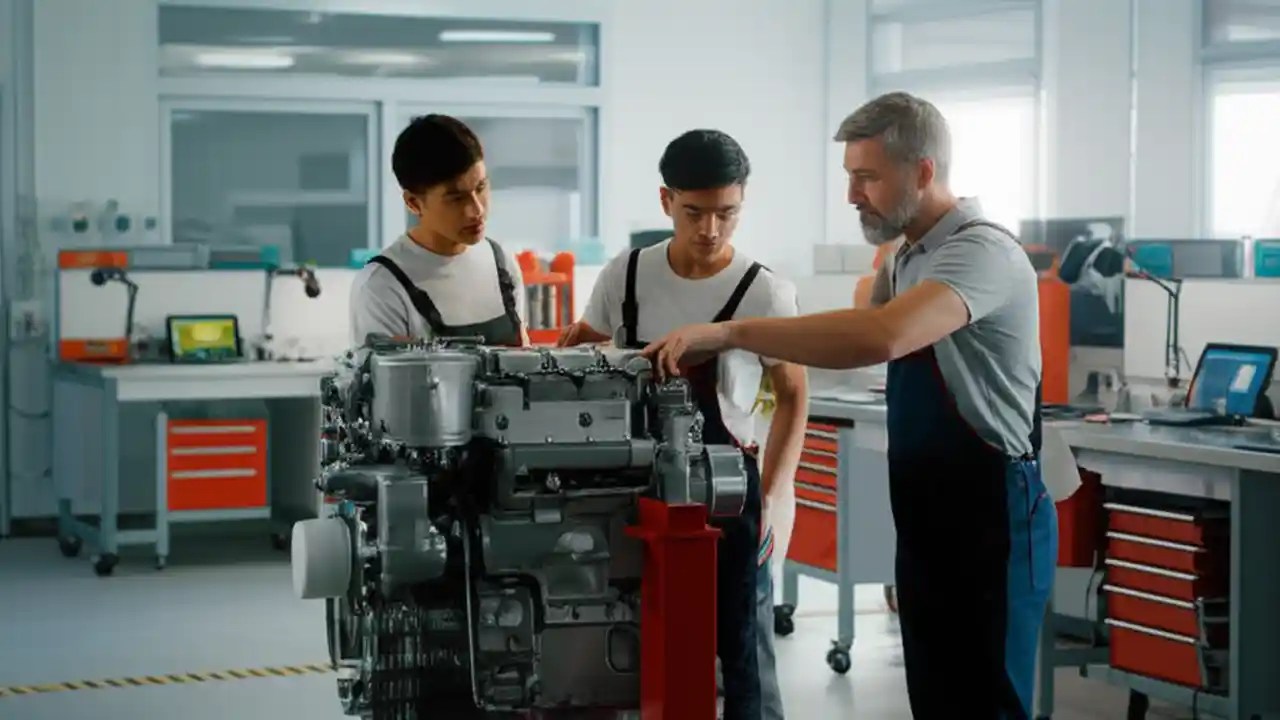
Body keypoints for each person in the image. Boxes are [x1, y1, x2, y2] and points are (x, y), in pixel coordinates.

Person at [640, 92, 1056, 719]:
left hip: (991, 514)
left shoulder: (981, 252)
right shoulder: (908, 255)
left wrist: (729, 332)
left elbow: (881, 336)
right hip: (928, 512)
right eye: (850, 176)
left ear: (922, 171)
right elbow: (862, 327)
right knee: (938, 701)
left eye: (867, 177)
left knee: (989, 703)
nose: (852, 195)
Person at [558, 129, 807, 720]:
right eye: (695, 212)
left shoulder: (762, 290)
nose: (711, 230)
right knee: (632, 633)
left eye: (727, 212)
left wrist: (773, 495)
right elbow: (583, 349)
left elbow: (794, 396)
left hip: (729, 494)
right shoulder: (626, 275)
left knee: (743, 646)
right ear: (666, 200)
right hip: (630, 487)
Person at [349, 114, 529, 348]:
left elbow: (523, 358)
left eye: (481, 187)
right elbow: (386, 373)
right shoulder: (382, 286)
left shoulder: (502, 263)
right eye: (456, 198)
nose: (476, 210)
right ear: (414, 203)